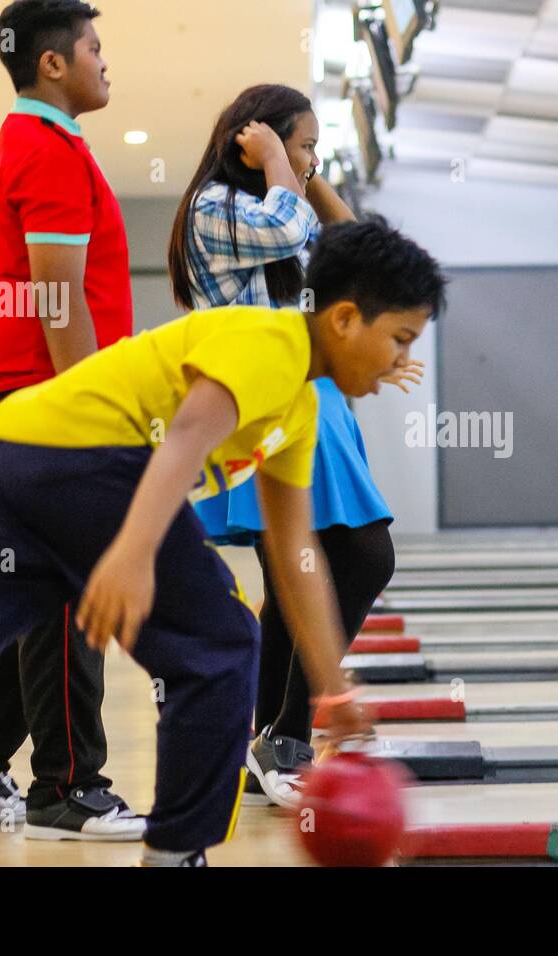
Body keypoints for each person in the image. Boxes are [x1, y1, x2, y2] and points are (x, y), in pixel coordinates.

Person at [0, 219, 447, 867]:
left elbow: (294, 553)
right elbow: (189, 434)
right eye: (399, 339)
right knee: (221, 643)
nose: (402, 362)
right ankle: (176, 854)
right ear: (343, 319)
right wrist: (135, 551)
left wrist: (332, 692)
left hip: (11, 450)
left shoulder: (299, 410)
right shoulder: (272, 342)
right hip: (83, 460)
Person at [0, 0, 144, 840]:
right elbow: (59, 299)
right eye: (94, 47)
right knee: (68, 591)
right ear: (54, 64)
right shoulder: (47, 150)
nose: (104, 60)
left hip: (18, 385)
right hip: (35, 387)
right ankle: (67, 788)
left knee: (42, 582)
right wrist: (90, 415)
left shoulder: (47, 144)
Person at [168, 85, 422, 807]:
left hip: (312, 399)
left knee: (294, 575)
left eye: (311, 150)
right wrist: (283, 162)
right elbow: (283, 230)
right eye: (303, 144)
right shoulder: (217, 208)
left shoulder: (286, 196)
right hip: (262, 398)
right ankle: (284, 734)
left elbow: (362, 253)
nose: (309, 163)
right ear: (256, 144)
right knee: (365, 553)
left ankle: (275, 742)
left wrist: (305, 168)